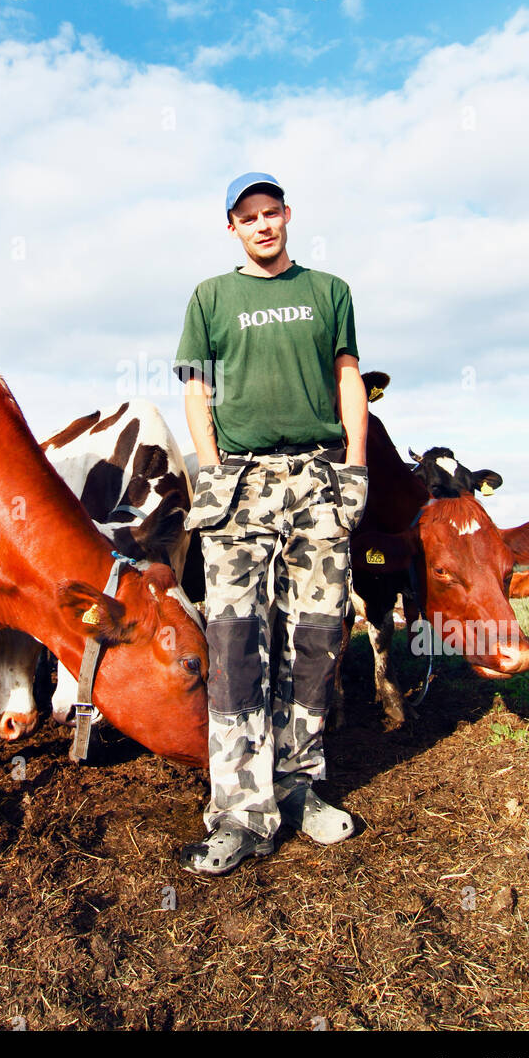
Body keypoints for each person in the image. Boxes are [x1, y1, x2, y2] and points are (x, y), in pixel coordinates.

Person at [173, 172, 369, 875]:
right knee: (234, 646)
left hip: (318, 478)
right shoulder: (211, 298)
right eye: (247, 216)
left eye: (271, 212)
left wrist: (355, 468)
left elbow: (349, 378)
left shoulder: (328, 292)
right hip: (241, 484)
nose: (262, 225)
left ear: (287, 216)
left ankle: (300, 788)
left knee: (315, 638)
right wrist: (212, 466)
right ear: (232, 227)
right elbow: (198, 389)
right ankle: (238, 813)